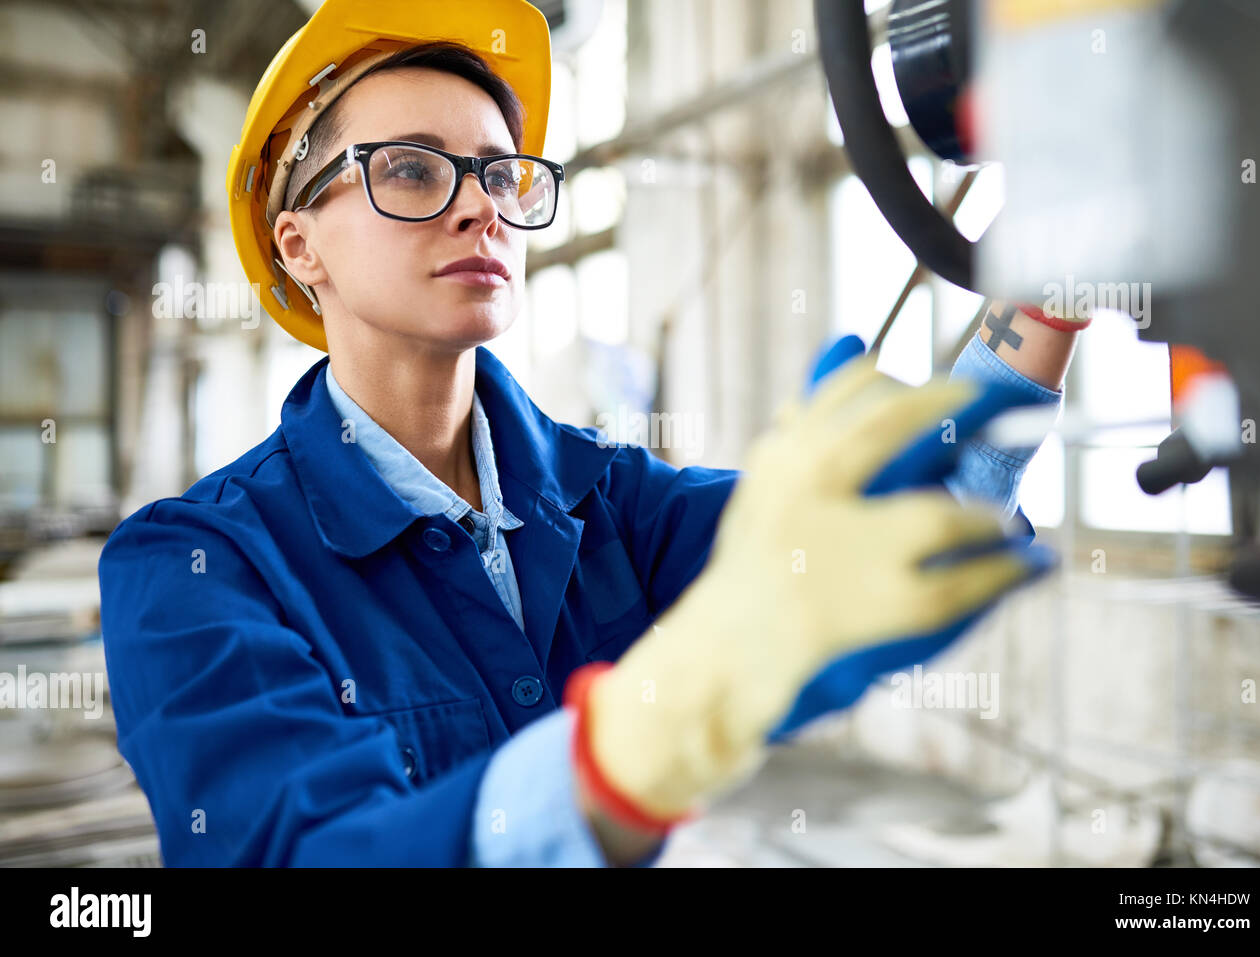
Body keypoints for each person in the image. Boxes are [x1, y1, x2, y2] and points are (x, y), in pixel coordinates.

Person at [97, 0, 1087, 867]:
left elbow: (914, 521)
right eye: (410, 171)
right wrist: (643, 741)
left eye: (500, 175)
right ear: (298, 244)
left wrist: (1054, 277)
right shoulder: (194, 568)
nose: (481, 207)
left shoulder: (604, 498)